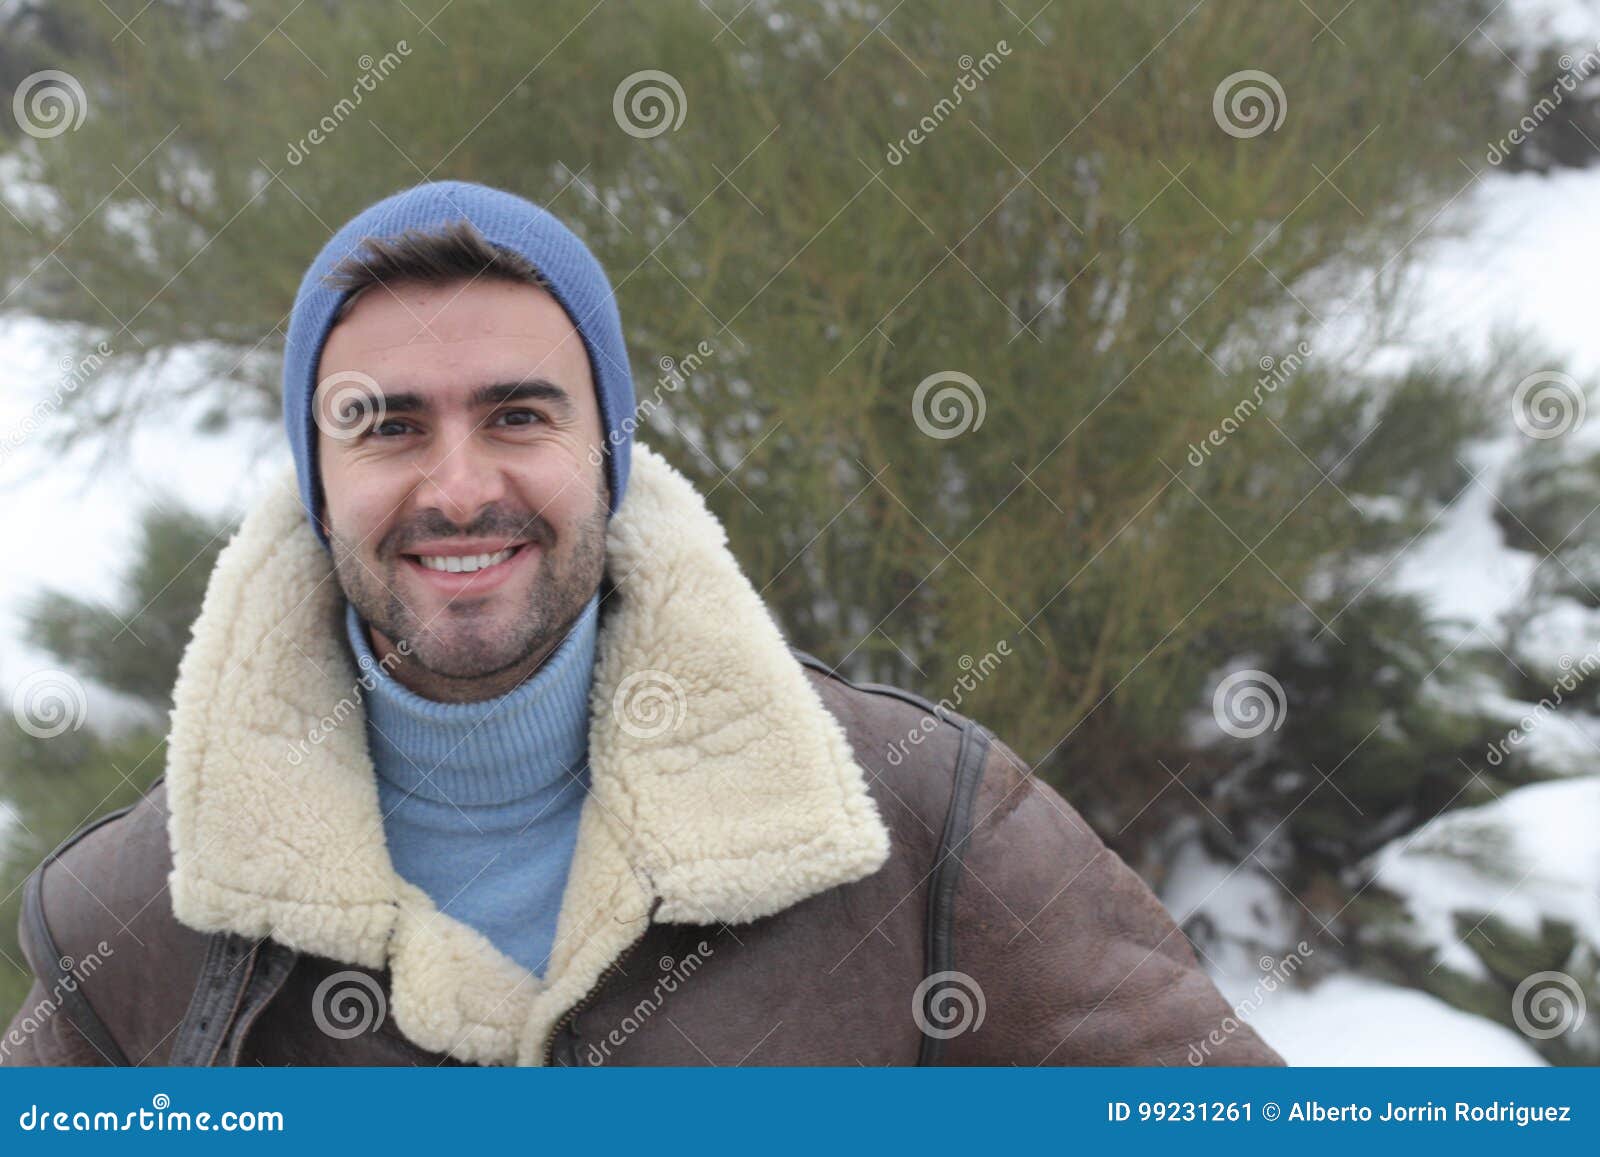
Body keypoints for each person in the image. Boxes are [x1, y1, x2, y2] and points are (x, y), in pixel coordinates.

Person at [3, 180, 1282, 1067]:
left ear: (607, 454)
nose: (458, 487)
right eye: (387, 424)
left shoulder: (912, 821)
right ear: (314, 475)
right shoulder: (135, 916)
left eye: (519, 414)